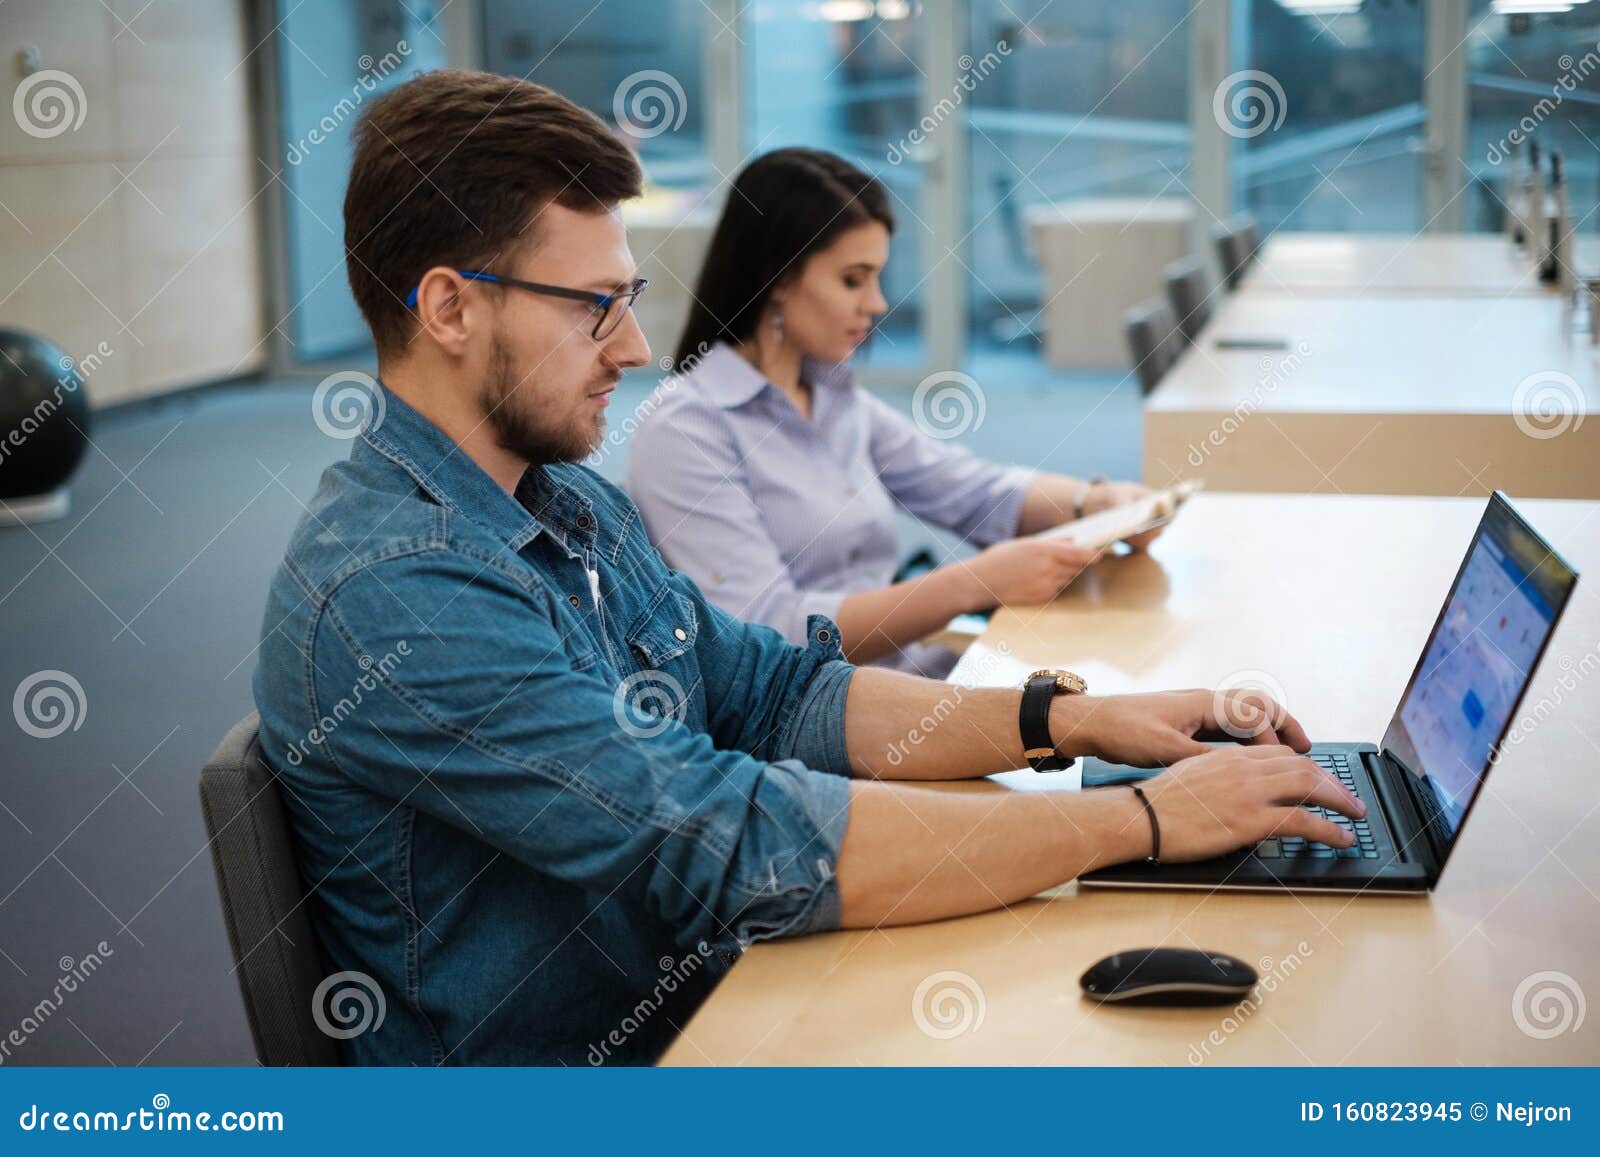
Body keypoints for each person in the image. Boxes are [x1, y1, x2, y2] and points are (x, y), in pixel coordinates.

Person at [252, 70, 1363, 1067]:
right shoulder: (392, 594)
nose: (634, 349)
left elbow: (773, 689)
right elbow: (724, 840)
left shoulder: (566, 501)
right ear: (448, 306)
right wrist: (1146, 821)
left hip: (711, 993)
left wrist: (1071, 720)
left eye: (629, 300)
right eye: (596, 307)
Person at [628, 148, 1161, 677]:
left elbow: (971, 490)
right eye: (853, 280)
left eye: (877, 278)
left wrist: (1097, 501)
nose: (877, 303)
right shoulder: (685, 428)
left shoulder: (833, 398)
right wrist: (974, 583)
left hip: (901, 679)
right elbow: (769, 635)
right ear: (778, 278)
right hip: (819, 724)